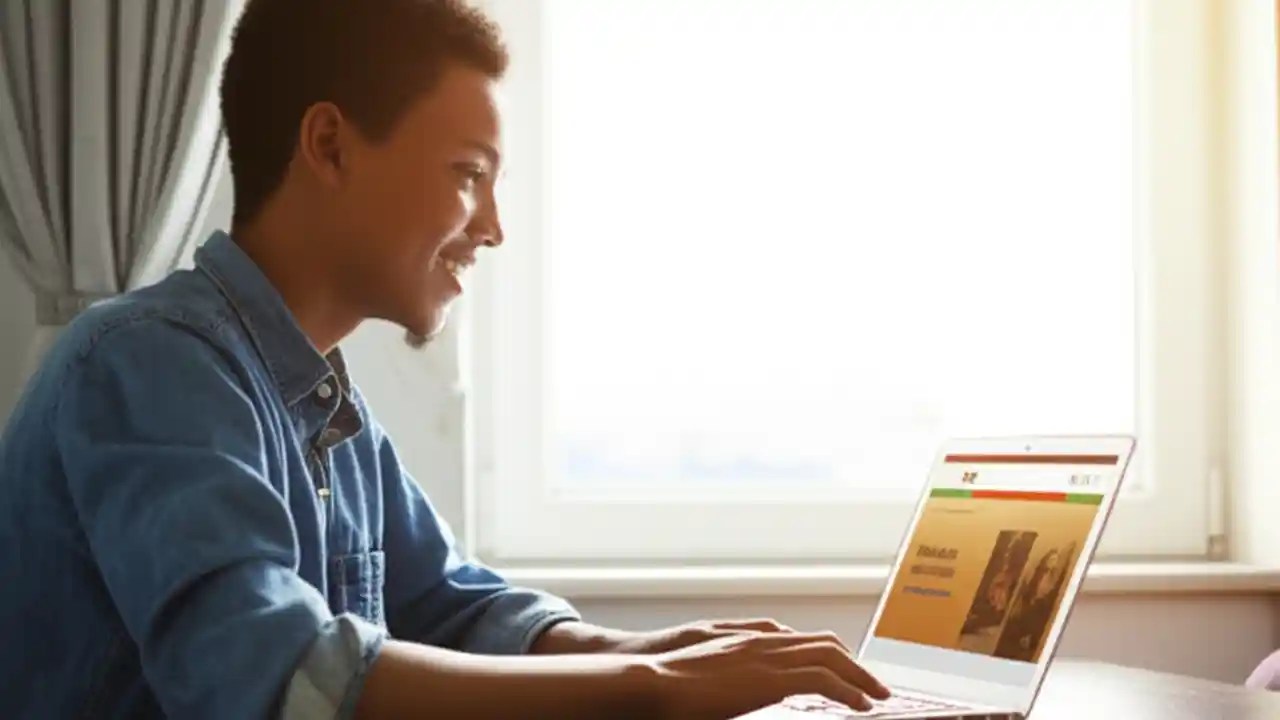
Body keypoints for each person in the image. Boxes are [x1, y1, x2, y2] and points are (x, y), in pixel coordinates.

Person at [0, 1, 890, 718]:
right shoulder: (145, 367)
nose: (493, 227)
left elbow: (457, 607)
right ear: (330, 145)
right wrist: (648, 693)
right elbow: (281, 679)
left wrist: (654, 649)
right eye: (469, 172)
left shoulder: (329, 412)